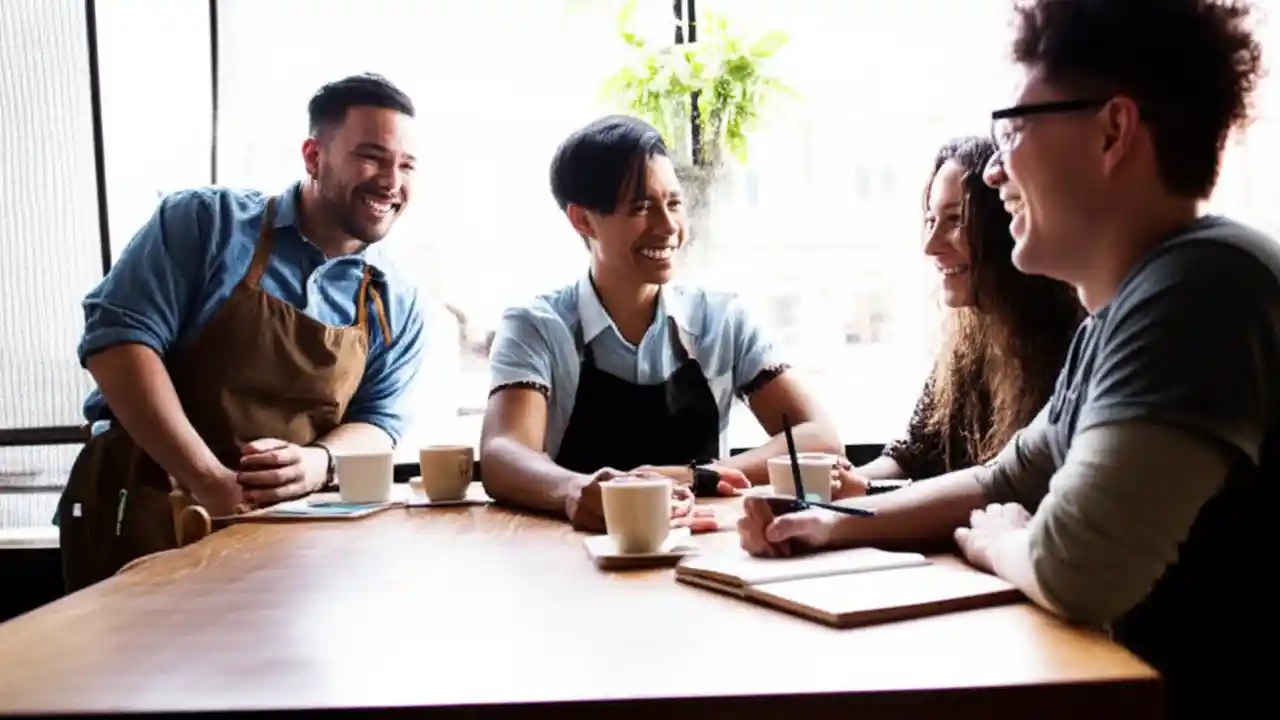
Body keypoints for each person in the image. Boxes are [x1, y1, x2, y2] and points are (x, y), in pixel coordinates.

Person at [739, 0, 1269, 711]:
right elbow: (1002, 480)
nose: (994, 173)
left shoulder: (1202, 286)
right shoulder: (1121, 311)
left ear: (1114, 131)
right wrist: (829, 520)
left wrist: (1001, 544)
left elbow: (1075, 570)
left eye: (1012, 128)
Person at [58, 73, 427, 590]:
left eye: (406, 165)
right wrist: (207, 478)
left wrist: (320, 462)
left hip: (288, 544)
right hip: (140, 509)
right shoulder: (205, 223)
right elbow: (118, 343)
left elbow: (380, 420)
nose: (391, 181)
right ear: (313, 156)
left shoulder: (396, 298)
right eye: (371, 156)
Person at [481, 115, 841, 532]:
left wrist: (693, 475)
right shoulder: (536, 326)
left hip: (705, 543)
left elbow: (819, 436)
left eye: (673, 203)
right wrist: (575, 491)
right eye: (641, 207)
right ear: (583, 220)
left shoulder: (722, 320)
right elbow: (503, 453)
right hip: (577, 552)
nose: (668, 227)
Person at [832, 137, 1082, 497]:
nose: (930, 244)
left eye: (955, 220)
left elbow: (1007, 488)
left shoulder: (1071, 338)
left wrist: (867, 495)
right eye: (930, 219)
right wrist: (843, 483)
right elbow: (916, 453)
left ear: (1006, 222)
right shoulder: (970, 334)